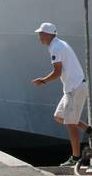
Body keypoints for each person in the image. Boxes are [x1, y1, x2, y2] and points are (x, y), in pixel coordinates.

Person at [32, 22, 88, 168]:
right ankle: (89, 129)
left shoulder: (56, 47)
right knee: (59, 117)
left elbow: (57, 72)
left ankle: (76, 157)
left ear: (48, 34)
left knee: (70, 123)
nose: (39, 37)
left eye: (41, 34)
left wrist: (43, 81)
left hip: (74, 88)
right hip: (72, 87)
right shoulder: (59, 44)